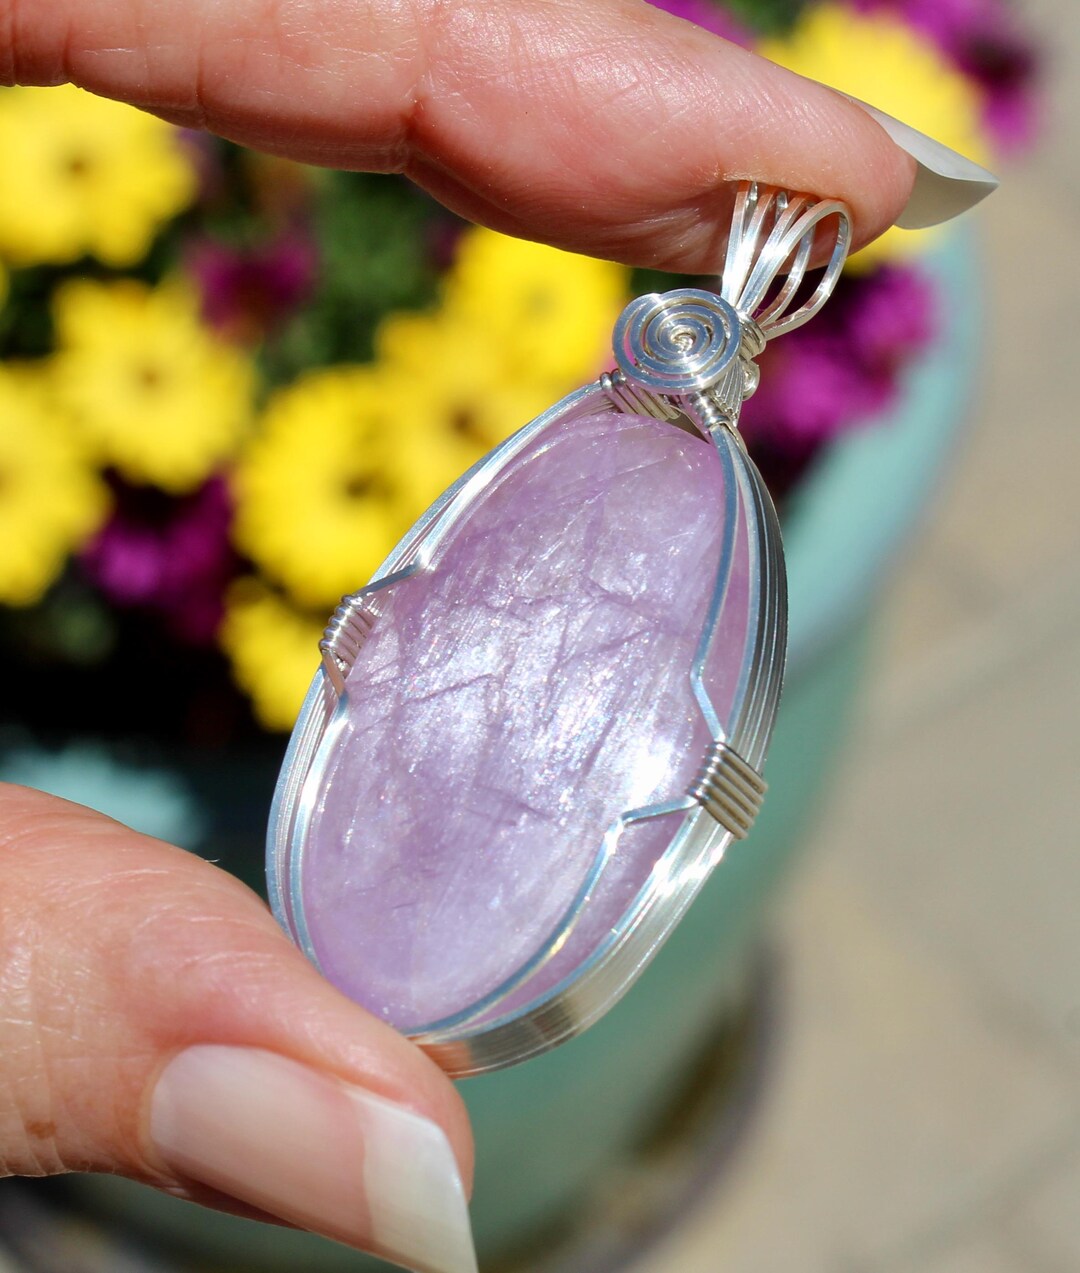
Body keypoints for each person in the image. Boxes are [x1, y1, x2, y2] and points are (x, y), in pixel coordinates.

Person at [0, 3, 987, 1271]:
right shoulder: (647, 472)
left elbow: (407, 627)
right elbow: (391, 610)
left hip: (523, 908)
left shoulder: (687, 505)